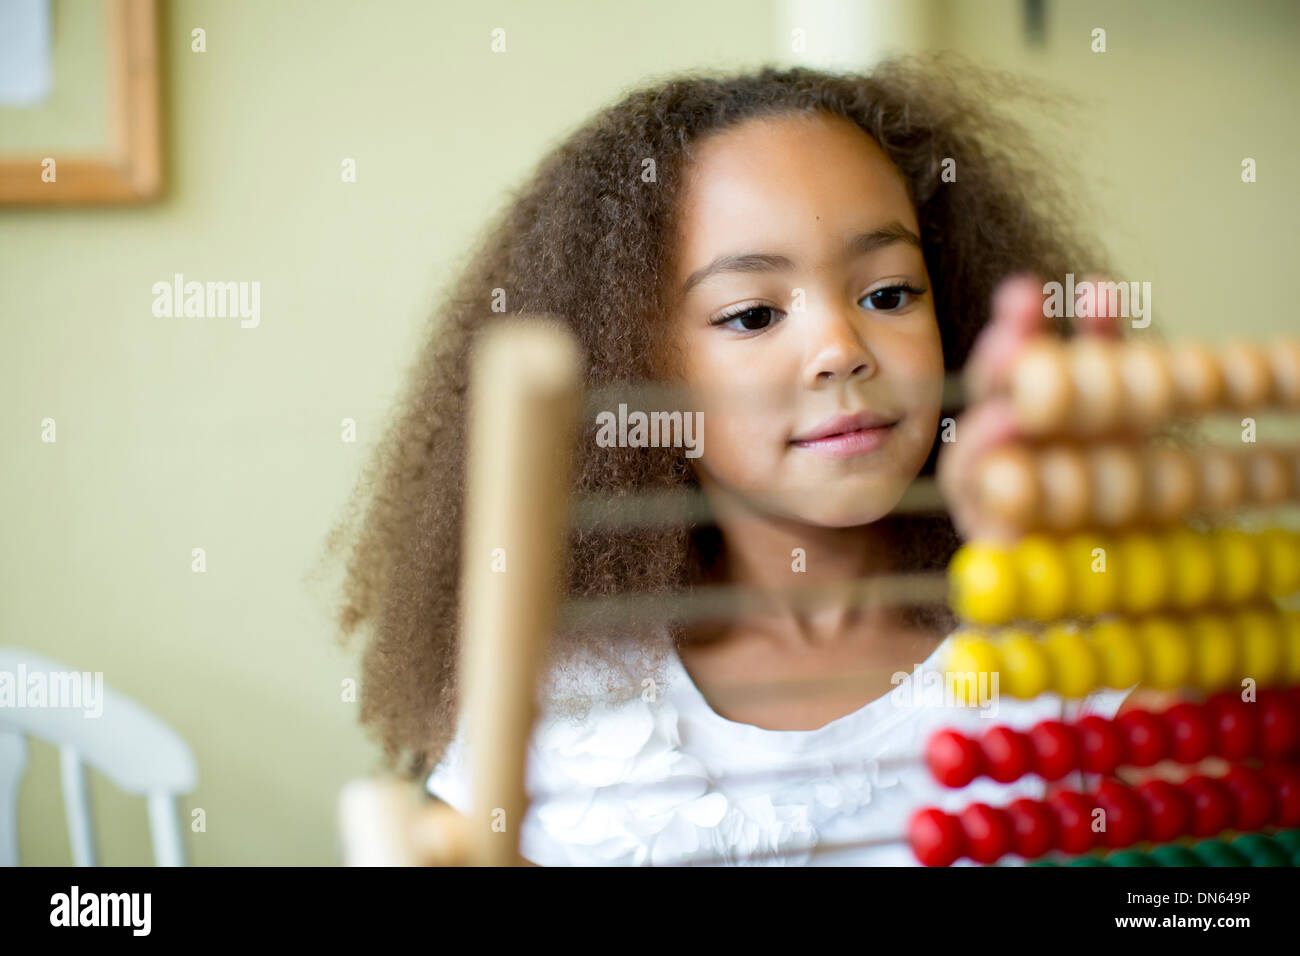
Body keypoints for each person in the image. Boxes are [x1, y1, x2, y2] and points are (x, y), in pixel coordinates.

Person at [325, 56, 1134, 865]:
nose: (839, 351)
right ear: (637, 367)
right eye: (752, 315)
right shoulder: (559, 709)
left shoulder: (1074, 655)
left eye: (888, 294)